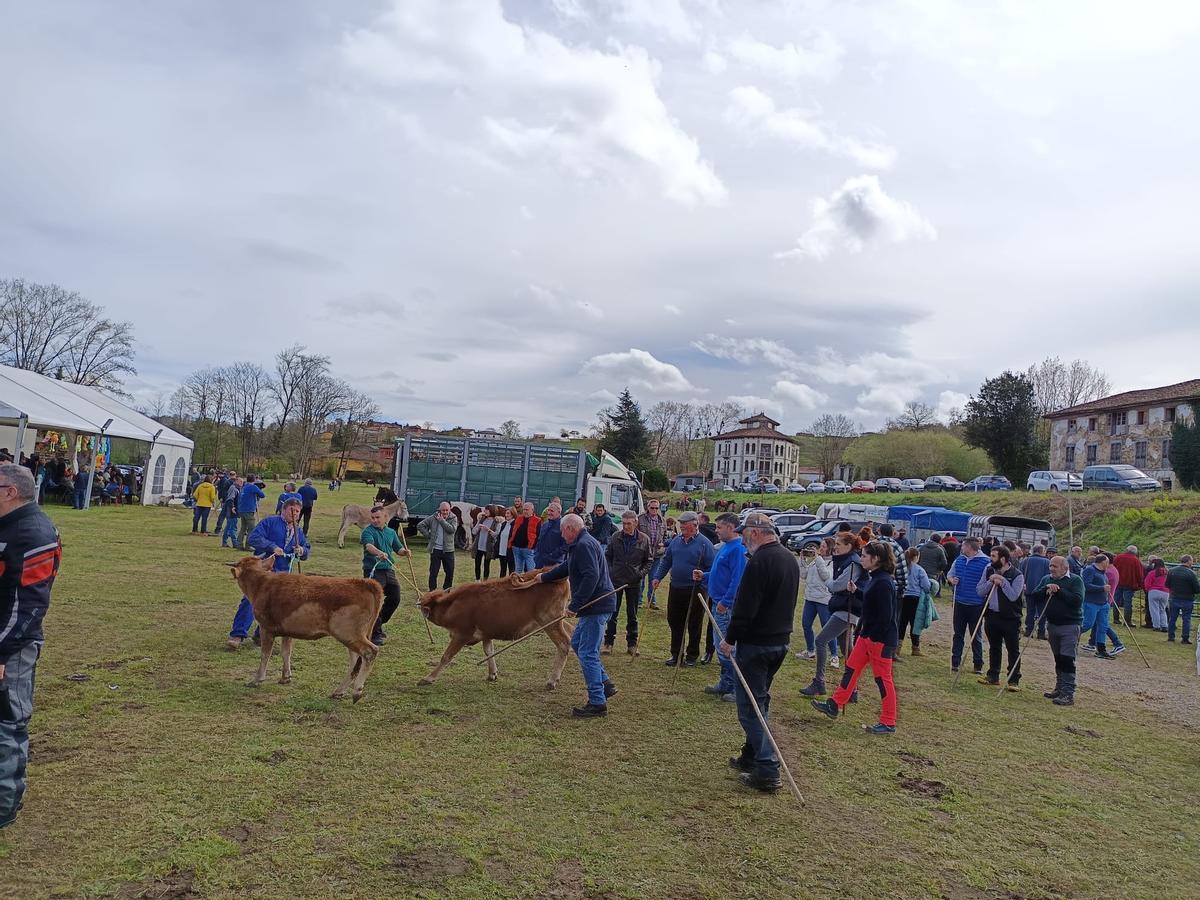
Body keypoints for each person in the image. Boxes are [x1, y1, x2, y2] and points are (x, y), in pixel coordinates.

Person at [0, 463, 62, 829]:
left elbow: (28, 604)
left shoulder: (33, 532)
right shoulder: (8, 526)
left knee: (7, 723)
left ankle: (4, 806)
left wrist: (4, 653)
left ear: (10, 492)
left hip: (12, 649)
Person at [723, 513, 800, 792]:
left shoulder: (759, 562)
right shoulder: (789, 558)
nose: (743, 538)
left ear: (756, 533)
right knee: (760, 700)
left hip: (757, 645)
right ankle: (751, 755)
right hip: (780, 641)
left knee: (750, 708)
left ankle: (767, 770)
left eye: (745, 533)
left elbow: (746, 607)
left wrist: (730, 638)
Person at [533, 514, 617, 718]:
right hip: (593, 606)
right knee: (578, 644)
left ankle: (597, 702)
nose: (562, 535)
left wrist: (575, 605)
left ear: (571, 528)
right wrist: (544, 577)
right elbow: (567, 567)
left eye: (563, 531)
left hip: (596, 606)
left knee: (587, 653)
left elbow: (591, 576)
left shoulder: (583, 545)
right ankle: (605, 684)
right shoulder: (581, 544)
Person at [811, 540, 899, 734]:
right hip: (866, 636)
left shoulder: (884, 582)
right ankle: (835, 704)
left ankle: (888, 721)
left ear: (876, 559)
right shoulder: (875, 578)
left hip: (879, 640)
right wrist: (857, 592)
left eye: (865, 556)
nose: (862, 559)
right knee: (851, 669)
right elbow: (870, 601)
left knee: (883, 680)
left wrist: (874, 638)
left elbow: (885, 616)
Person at [227, 498, 310, 650]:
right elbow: (254, 538)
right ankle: (237, 635)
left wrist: (302, 550)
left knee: (275, 606)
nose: (295, 514)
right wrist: (272, 547)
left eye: (297, 511)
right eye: (292, 510)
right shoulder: (270, 522)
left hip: (283, 574)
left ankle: (261, 635)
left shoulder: (298, 531)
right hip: (262, 572)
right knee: (250, 602)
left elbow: (306, 550)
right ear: (283, 510)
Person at [799, 532, 863, 698]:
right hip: (842, 607)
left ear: (849, 546)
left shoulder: (853, 564)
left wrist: (826, 582)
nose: (836, 547)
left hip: (847, 610)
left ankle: (819, 682)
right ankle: (852, 689)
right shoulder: (847, 560)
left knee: (820, 641)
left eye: (839, 544)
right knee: (847, 650)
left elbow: (836, 586)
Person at [650, 511, 715, 667]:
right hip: (676, 587)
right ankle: (676, 653)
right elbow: (667, 560)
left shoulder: (705, 544)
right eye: (681, 524)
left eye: (685, 524)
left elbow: (713, 568)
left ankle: (692, 655)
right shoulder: (676, 541)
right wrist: (658, 577)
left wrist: (703, 576)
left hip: (695, 589)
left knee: (694, 623)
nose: (682, 527)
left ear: (694, 525)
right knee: (674, 621)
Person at [694, 513, 748, 701]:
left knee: (726, 647)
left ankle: (735, 687)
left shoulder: (738, 549)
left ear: (731, 528)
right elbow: (720, 573)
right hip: (717, 601)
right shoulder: (726, 547)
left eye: (719, 527)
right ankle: (725, 682)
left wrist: (725, 602)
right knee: (720, 646)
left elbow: (737, 579)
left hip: (726, 606)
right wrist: (705, 575)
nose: (715, 531)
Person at [1025, 555, 1085, 705]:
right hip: (1052, 625)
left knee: (1067, 658)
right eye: (1050, 566)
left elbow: (1077, 601)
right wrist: (1046, 589)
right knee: (1058, 658)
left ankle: (1068, 693)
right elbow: (1034, 595)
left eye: (1055, 566)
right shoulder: (1046, 579)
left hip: (1070, 625)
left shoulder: (1075, 580)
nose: (1051, 569)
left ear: (1065, 568)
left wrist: (1059, 591)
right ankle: (1059, 688)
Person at [360, 505, 411, 644]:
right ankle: (375, 633)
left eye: (378, 517)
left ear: (385, 517)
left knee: (395, 597)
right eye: (373, 518)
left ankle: (378, 623)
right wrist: (378, 553)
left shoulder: (391, 532)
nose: (375, 520)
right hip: (373, 570)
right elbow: (369, 546)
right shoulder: (367, 532)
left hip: (389, 569)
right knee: (375, 601)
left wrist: (404, 552)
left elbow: (398, 548)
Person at [976, 545, 1025, 690]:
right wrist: (990, 581)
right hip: (991, 615)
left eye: (993, 556)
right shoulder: (989, 570)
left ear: (1003, 559)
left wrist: (1002, 582)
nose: (990, 559)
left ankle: (1013, 680)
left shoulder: (1017, 575)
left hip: (1010, 618)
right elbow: (979, 591)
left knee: (1013, 649)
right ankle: (993, 676)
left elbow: (1013, 596)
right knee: (994, 647)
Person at [604, 511, 652, 656]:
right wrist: (611, 572)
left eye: (628, 523)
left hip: (633, 582)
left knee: (633, 615)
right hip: (616, 581)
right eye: (623, 523)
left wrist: (640, 574)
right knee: (612, 613)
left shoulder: (644, 539)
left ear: (635, 523)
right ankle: (608, 643)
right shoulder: (615, 537)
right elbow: (607, 557)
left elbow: (648, 561)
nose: (625, 526)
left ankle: (632, 644)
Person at [947, 537, 989, 675]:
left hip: (976, 604)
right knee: (958, 634)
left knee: (975, 635)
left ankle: (978, 664)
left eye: (963, 546)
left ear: (970, 547)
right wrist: (952, 580)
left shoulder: (986, 562)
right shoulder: (959, 560)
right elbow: (950, 575)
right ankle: (955, 662)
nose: (961, 548)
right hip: (960, 601)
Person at [795, 537, 834, 661]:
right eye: (820, 546)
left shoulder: (831, 562)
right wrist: (802, 561)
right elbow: (804, 575)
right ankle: (810, 650)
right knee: (806, 624)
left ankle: (834, 655)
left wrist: (818, 560)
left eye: (823, 547)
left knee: (827, 627)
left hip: (823, 599)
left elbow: (826, 576)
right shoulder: (816, 561)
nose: (820, 549)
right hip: (810, 598)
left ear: (830, 548)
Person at [1081, 555, 1125, 659]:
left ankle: (1101, 649)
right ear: (1102, 562)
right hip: (1091, 602)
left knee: (1103, 626)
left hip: (1103, 604)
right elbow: (1085, 586)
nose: (1108, 565)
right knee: (1087, 624)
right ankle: (1069, 636)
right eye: (1107, 562)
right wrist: (1102, 588)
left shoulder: (1103, 572)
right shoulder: (1090, 570)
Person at [900, 547, 933, 656]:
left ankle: (897, 647)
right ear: (916, 557)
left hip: (902, 597)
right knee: (915, 624)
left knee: (901, 623)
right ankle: (915, 648)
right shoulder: (919, 569)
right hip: (915, 599)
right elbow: (926, 586)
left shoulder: (902, 567)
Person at [418, 502, 457, 591]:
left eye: (447, 510)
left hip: (448, 550)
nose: (445, 512)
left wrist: (442, 521)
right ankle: (432, 590)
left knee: (450, 572)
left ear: (450, 509)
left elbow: (451, 530)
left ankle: (446, 590)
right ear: (439, 509)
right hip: (436, 549)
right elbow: (420, 525)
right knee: (433, 572)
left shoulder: (453, 518)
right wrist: (429, 535)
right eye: (443, 510)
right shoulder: (433, 517)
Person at [638, 499, 667, 610]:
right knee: (641, 579)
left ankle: (651, 601)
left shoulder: (662, 521)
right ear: (648, 508)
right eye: (652, 508)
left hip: (657, 555)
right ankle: (639, 601)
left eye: (656, 508)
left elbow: (665, 536)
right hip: (643, 554)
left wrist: (663, 544)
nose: (654, 510)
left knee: (654, 579)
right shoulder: (640, 519)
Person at [1020, 545, 1052, 639]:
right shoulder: (1047, 562)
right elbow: (1050, 576)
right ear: (1042, 551)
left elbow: (1020, 574)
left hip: (1029, 589)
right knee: (1042, 612)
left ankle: (1028, 631)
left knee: (1030, 611)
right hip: (1043, 590)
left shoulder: (1025, 560)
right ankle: (1041, 632)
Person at [1165, 555, 1199, 644]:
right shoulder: (1191, 573)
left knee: (1172, 618)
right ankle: (1185, 638)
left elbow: (1167, 584)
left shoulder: (1171, 571)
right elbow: (1197, 589)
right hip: (1187, 599)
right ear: (1188, 561)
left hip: (1174, 597)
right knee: (1186, 619)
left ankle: (1171, 636)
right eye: (1192, 561)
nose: (1193, 563)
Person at [236, 476, 266, 550]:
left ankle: (239, 544)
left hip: (242, 509)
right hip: (249, 510)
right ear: (254, 480)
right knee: (251, 528)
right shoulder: (253, 487)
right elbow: (262, 495)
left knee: (243, 528)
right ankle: (248, 545)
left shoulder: (244, 486)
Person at [510, 502, 540, 575]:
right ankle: (518, 585)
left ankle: (531, 585)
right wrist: (511, 543)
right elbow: (513, 531)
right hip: (516, 548)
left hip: (528, 549)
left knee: (531, 570)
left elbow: (538, 535)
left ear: (532, 510)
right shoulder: (518, 518)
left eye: (527, 510)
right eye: (524, 510)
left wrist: (532, 547)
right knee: (518, 569)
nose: (525, 511)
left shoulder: (537, 520)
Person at [535, 502, 567, 568]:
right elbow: (539, 540)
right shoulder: (545, 525)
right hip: (540, 562)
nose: (549, 513)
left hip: (554, 563)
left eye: (552, 511)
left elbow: (565, 545)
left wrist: (552, 555)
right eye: (548, 510)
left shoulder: (563, 526)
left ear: (559, 512)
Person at [1144, 558, 1170, 632]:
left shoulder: (1152, 573)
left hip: (1154, 591)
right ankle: (1164, 625)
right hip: (1165, 592)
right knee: (1163, 609)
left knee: (1154, 610)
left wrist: (1148, 589)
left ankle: (1156, 626)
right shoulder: (1167, 573)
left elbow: (1147, 583)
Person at [472, 507, 498, 581]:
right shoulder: (481, 519)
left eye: (487, 510)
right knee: (477, 564)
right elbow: (473, 531)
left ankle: (485, 581)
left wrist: (488, 529)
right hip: (479, 546)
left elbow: (496, 535)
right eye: (485, 510)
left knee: (486, 565)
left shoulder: (496, 521)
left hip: (488, 547)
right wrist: (478, 528)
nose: (485, 511)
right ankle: (477, 580)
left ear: (492, 511)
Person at [221, 477, 243, 547]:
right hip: (231, 510)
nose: (241, 483)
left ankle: (225, 542)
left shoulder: (237, 488)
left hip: (233, 509)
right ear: (236, 481)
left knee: (229, 526)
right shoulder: (233, 488)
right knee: (232, 527)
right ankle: (235, 543)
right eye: (240, 482)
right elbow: (230, 499)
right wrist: (232, 507)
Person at [493, 508, 515, 579]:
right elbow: (500, 536)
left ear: (513, 514)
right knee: (502, 570)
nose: (506, 515)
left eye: (508, 513)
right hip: (502, 551)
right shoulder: (504, 524)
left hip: (510, 552)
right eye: (506, 513)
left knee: (512, 570)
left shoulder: (515, 524)